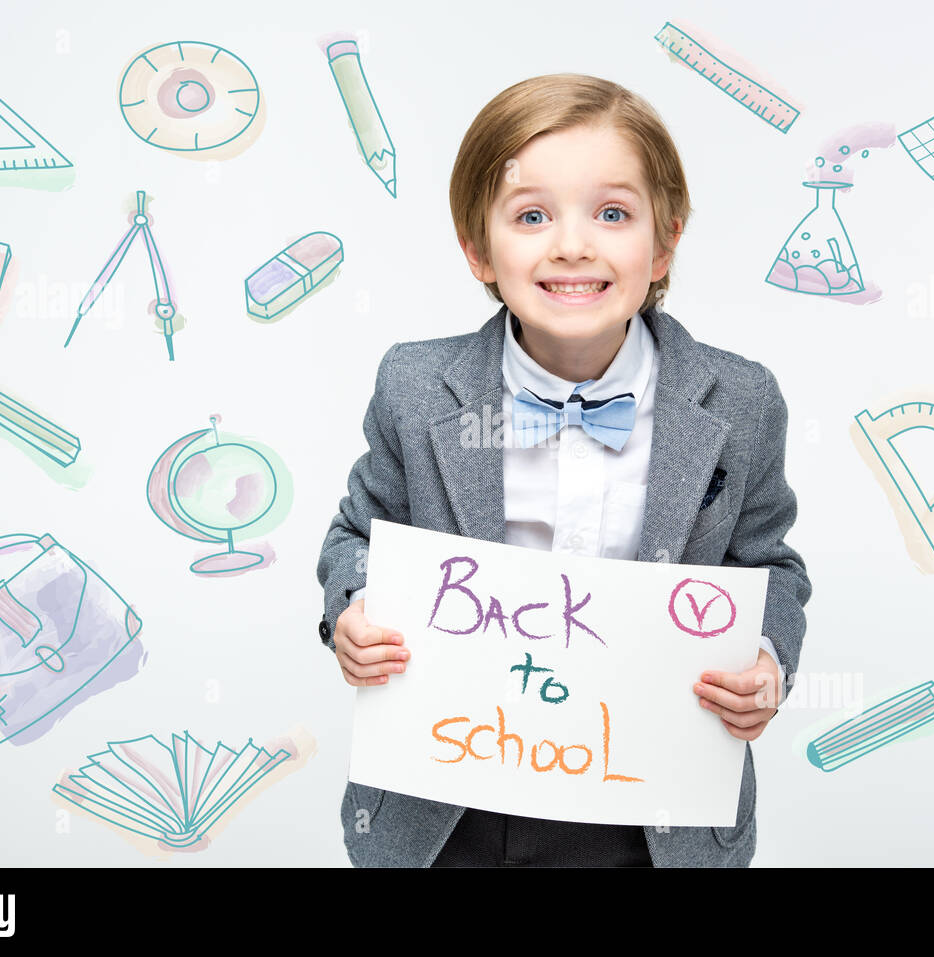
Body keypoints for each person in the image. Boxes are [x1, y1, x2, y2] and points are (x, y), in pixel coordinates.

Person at [316, 74, 810, 867]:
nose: (573, 245)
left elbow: (769, 564)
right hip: (451, 800)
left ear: (666, 240)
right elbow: (355, 534)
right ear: (477, 247)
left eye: (612, 213)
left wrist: (767, 660)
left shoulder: (741, 402)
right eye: (532, 215)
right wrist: (354, 609)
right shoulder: (413, 386)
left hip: (651, 813)